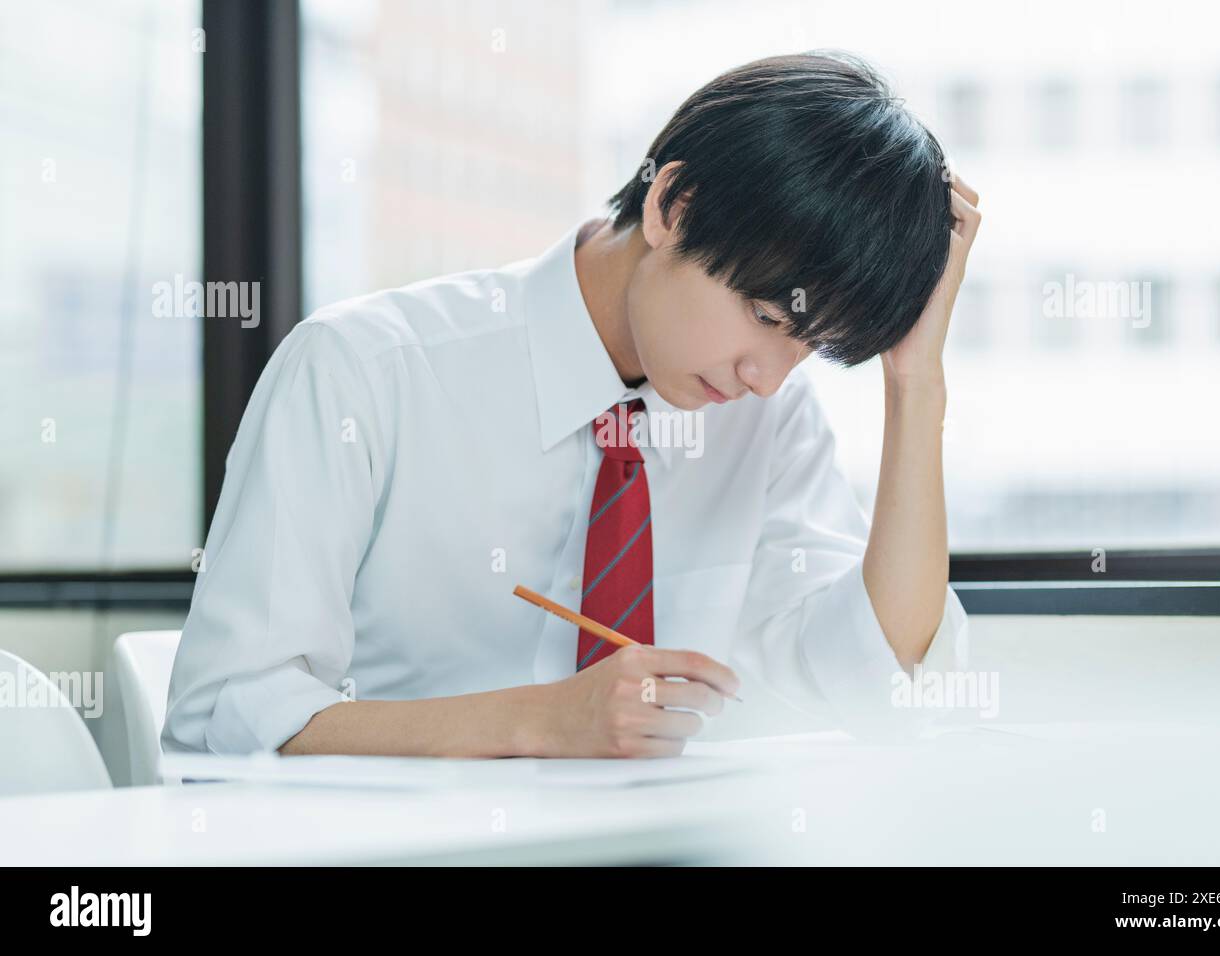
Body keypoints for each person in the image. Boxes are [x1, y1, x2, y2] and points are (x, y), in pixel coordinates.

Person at [161, 49, 981, 759]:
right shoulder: (365, 373)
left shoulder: (764, 418)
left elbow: (877, 678)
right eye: (767, 319)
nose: (768, 375)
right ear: (672, 207)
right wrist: (544, 724)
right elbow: (225, 716)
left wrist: (917, 383)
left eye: (809, 347)